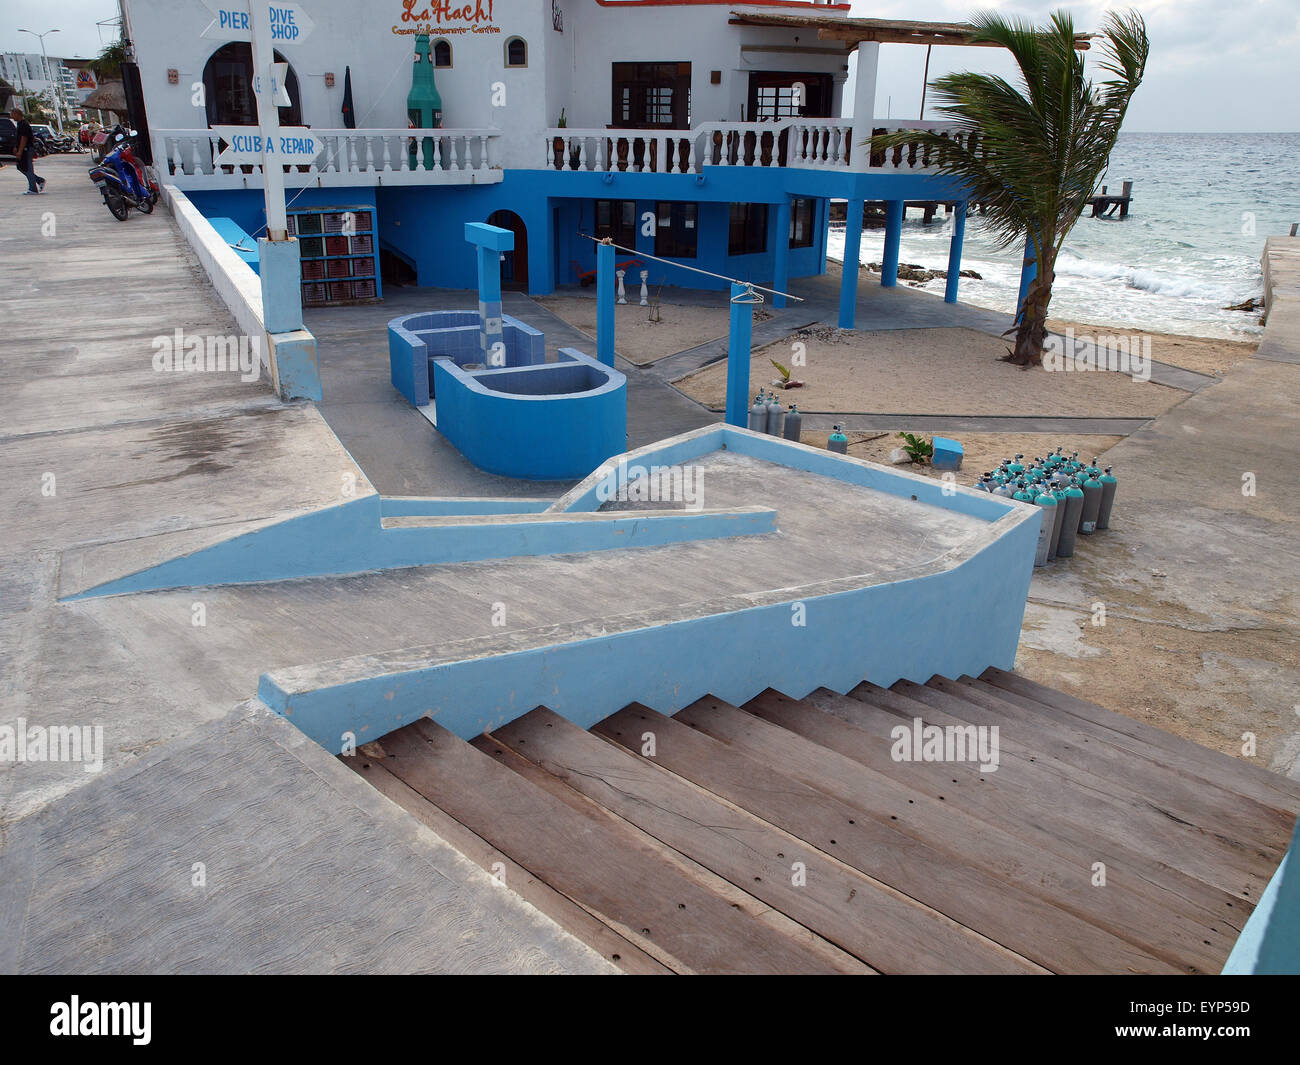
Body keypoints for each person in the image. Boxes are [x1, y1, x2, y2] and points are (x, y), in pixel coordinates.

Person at [11, 107, 45, 195]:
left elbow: (24, 138)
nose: (12, 116)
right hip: (23, 148)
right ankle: (39, 180)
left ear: (17, 114)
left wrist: (20, 151)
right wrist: (16, 147)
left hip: (26, 149)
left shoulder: (24, 124)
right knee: (21, 167)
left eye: (12, 114)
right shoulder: (19, 124)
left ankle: (33, 189)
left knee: (28, 168)